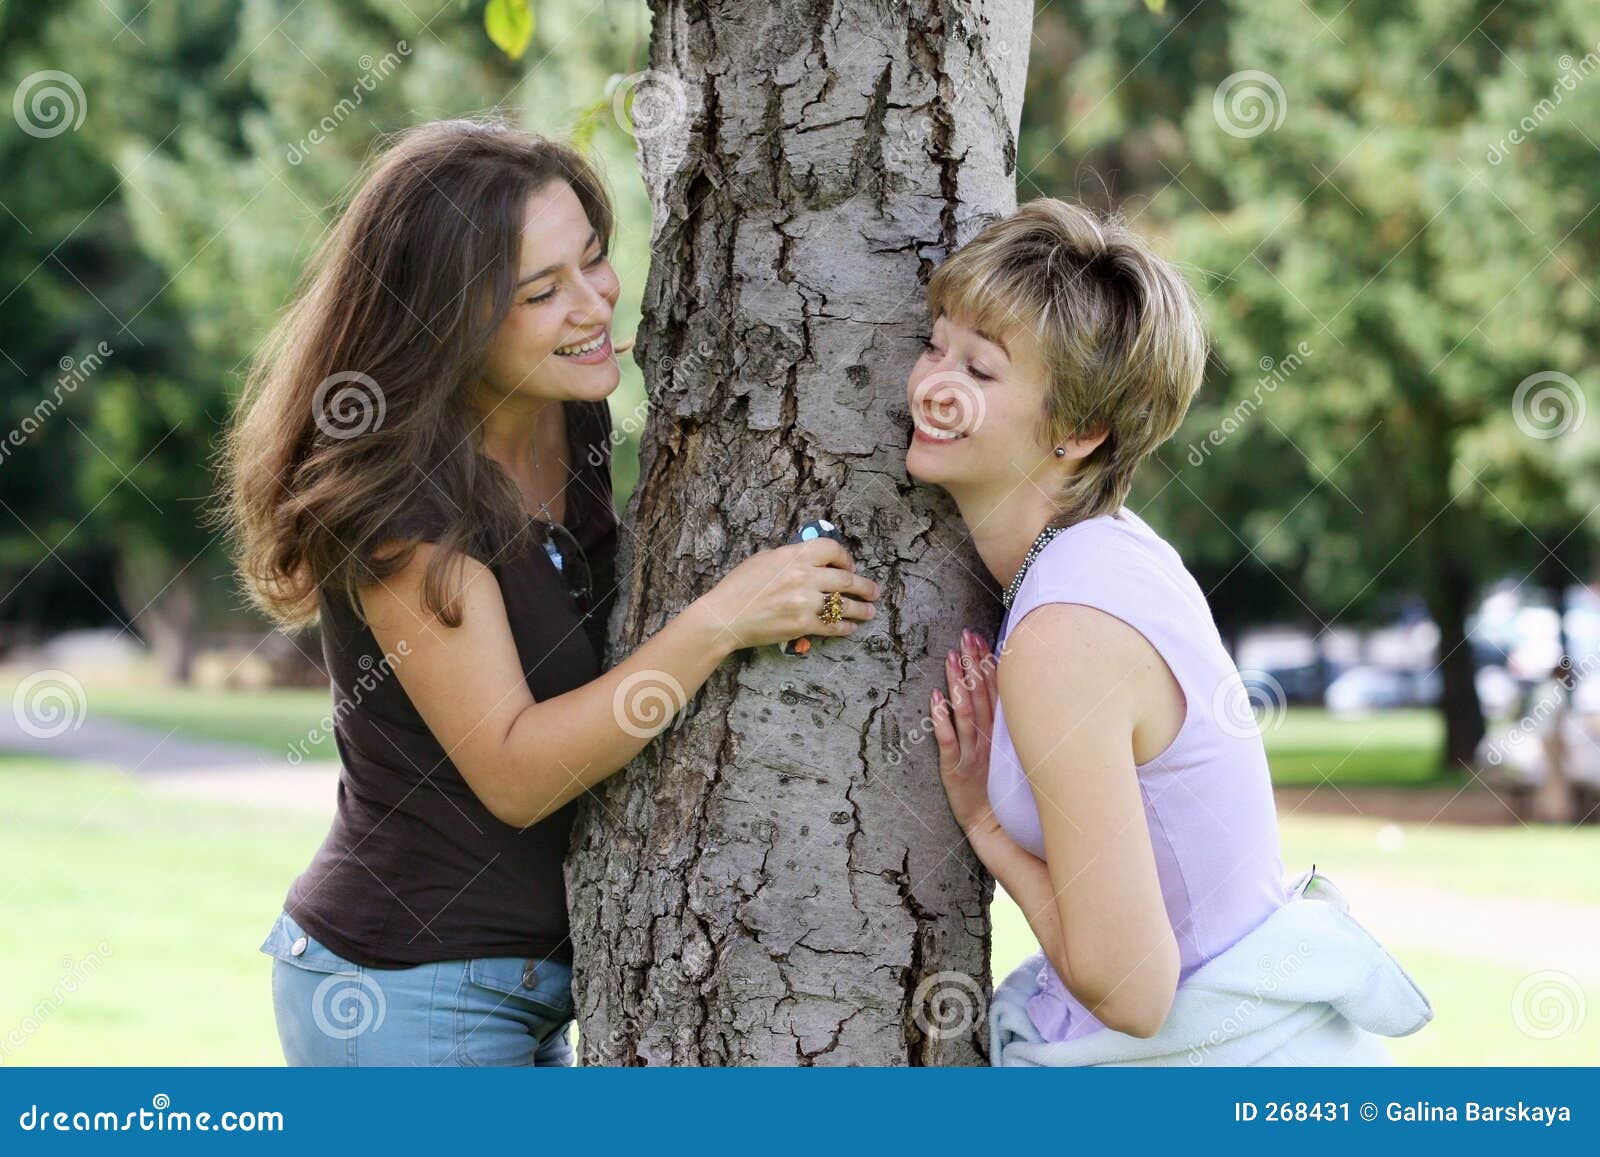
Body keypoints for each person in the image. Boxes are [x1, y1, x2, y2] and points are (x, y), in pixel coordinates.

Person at [221, 118, 880, 1066]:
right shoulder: (407, 513)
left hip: (524, 984)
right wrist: (725, 618)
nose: (595, 302)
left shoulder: (568, 416)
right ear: (447, 322)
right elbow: (518, 771)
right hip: (408, 988)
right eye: (542, 290)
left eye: (595, 259)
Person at [911, 199, 1427, 1062]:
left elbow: (1135, 991)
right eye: (935, 347)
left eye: (982, 370)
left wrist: (986, 828)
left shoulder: (1067, 629)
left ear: (1078, 432)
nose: (933, 382)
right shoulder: (1110, 554)